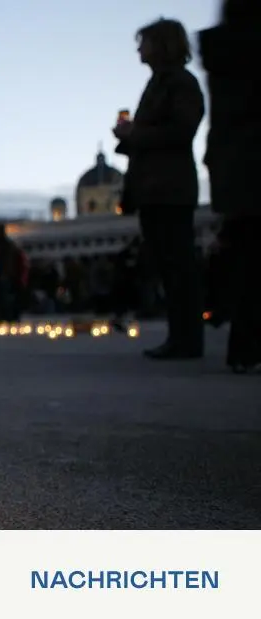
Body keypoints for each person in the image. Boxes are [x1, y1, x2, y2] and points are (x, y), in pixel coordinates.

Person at [115, 18, 206, 360]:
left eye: (145, 43)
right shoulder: (160, 84)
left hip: (170, 187)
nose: (139, 49)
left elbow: (181, 132)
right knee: (169, 264)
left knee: (178, 264)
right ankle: (180, 336)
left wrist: (133, 135)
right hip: (156, 186)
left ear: (161, 45)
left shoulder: (180, 83)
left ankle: (186, 339)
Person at [200, 0, 261, 373]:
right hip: (246, 159)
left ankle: (244, 340)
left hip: (237, 164)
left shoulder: (225, 50)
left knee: (248, 250)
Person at [0, 224, 28, 321]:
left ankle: (7, 316)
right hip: (4, 274)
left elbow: (6, 260)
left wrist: (3, 272)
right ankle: (5, 315)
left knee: (5, 296)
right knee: (4, 296)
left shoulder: (4, 244)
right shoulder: (3, 243)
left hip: (5, 274)